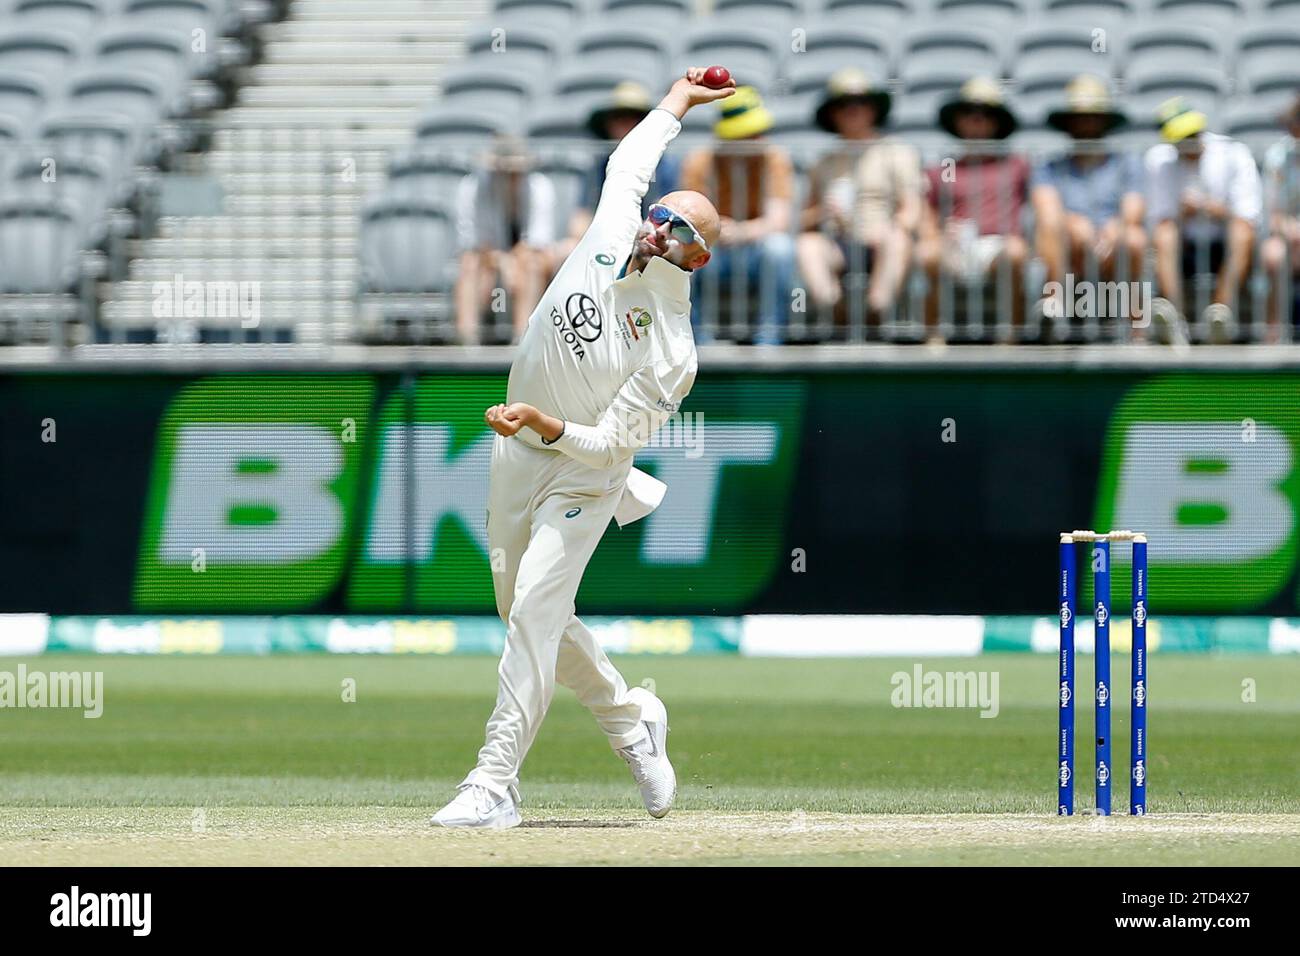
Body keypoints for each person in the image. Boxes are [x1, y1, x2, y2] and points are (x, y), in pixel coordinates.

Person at [431, 67, 734, 830]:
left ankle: (494, 783)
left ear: (696, 260)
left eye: (683, 231)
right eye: (666, 214)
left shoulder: (673, 350)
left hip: (581, 476)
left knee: (535, 607)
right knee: (523, 611)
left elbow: (608, 447)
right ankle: (632, 721)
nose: (661, 227)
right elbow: (627, 165)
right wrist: (676, 102)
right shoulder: (607, 233)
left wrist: (543, 422)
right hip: (518, 453)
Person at [796, 68, 921, 336]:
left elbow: (912, 212)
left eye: (860, 103)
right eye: (844, 104)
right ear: (833, 113)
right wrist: (822, 213)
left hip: (882, 239)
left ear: (873, 110)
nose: (852, 110)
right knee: (808, 246)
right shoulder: (824, 162)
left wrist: (887, 230)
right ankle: (836, 312)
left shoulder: (897, 153)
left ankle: (875, 313)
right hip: (838, 241)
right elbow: (804, 219)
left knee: (897, 239)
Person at [1032, 74, 1146, 338]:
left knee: (1135, 239)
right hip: (1070, 250)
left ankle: (1138, 330)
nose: (1086, 124)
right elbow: (1046, 207)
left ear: (1104, 121)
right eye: (1080, 117)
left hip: (1111, 250)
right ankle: (1054, 302)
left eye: (1092, 116)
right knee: (1052, 226)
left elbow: (1133, 209)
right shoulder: (1049, 167)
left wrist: (1115, 228)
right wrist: (1075, 225)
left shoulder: (1127, 164)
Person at [679, 86, 796, 344]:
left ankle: (770, 337)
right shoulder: (700, 161)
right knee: (687, 251)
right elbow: (689, 218)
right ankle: (698, 339)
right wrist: (717, 231)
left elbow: (779, 220)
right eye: (748, 133)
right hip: (714, 250)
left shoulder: (775, 159)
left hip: (755, 250)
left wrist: (741, 231)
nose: (757, 139)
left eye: (759, 132)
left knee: (780, 248)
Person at [918, 77, 1031, 342]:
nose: (977, 120)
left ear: (997, 122)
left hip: (998, 246)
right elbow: (926, 219)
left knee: (1016, 252)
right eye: (969, 113)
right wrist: (940, 232)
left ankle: (1010, 337)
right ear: (958, 121)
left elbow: (1042, 204)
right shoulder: (942, 169)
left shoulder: (1017, 166)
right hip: (955, 247)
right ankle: (933, 338)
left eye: (986, 114)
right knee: (927, 253)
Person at [1146, 98, 1262, 344]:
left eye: (1194, 133)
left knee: (1242, 232)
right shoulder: (1158, 160)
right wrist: (1183, 212)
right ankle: (1175, 320)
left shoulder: (1235, 154)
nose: (1190, 141)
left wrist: (1211, 209)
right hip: (1185, 244)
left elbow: (1248, 215)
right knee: (1164, 234)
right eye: (1183, 136)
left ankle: (1219, 316)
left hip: (1225, 241)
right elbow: (1161, 218)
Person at [553, 82, 681, 264]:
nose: (625, 125)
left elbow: (667, 218)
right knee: (564, 252)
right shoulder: (597, 168)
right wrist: (580, 240)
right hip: (605, 240)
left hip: (650, 241)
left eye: (633, 118)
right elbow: (581, 217)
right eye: (618, 118)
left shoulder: (665, 167)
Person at [453, 134, 557, 345]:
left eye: (516, 171)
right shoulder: (473, 188)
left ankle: (522, 342)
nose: (511, 177)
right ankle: (467, 344)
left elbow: (538, 244)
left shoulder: (540, 188)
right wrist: (503, 262)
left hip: (528, 262)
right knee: (469, 265)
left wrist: (511, 262)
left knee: (532, 265)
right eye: (505, 171)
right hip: (488, 262)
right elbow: (475, 243)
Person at [1262, 92, 1300, 339]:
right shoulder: (1277, 157)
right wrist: (1292, 231)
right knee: (1273, 255)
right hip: (1287, 234)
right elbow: (1273, 214)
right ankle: (1273, 336)